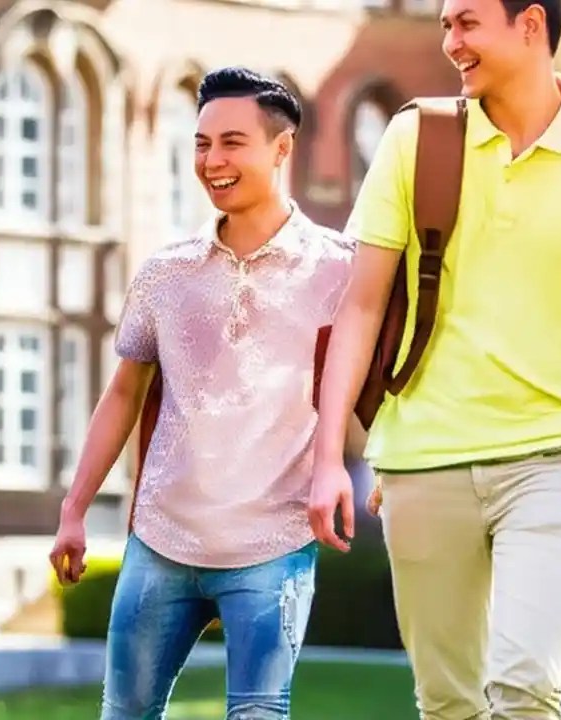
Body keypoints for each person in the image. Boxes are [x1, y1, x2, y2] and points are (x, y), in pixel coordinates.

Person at [307, 0, 561, 717]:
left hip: (556, 458)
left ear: (531, 25)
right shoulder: (414, 139)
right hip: (424, 459)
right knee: (447, 701)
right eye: (445, 24)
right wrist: (329, 458)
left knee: (526, 687)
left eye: (467, 23)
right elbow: (359, 306)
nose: (450, 42)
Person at [48, 67, 353, 720]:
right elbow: (123, 395)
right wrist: (75, 508)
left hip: (274, 546)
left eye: (232, 142)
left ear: (282, 148)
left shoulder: (339, 268)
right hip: (161, 542)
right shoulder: (165, 271)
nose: (212, 161)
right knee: (124, 713)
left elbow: (370, 388)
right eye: (202, 143)